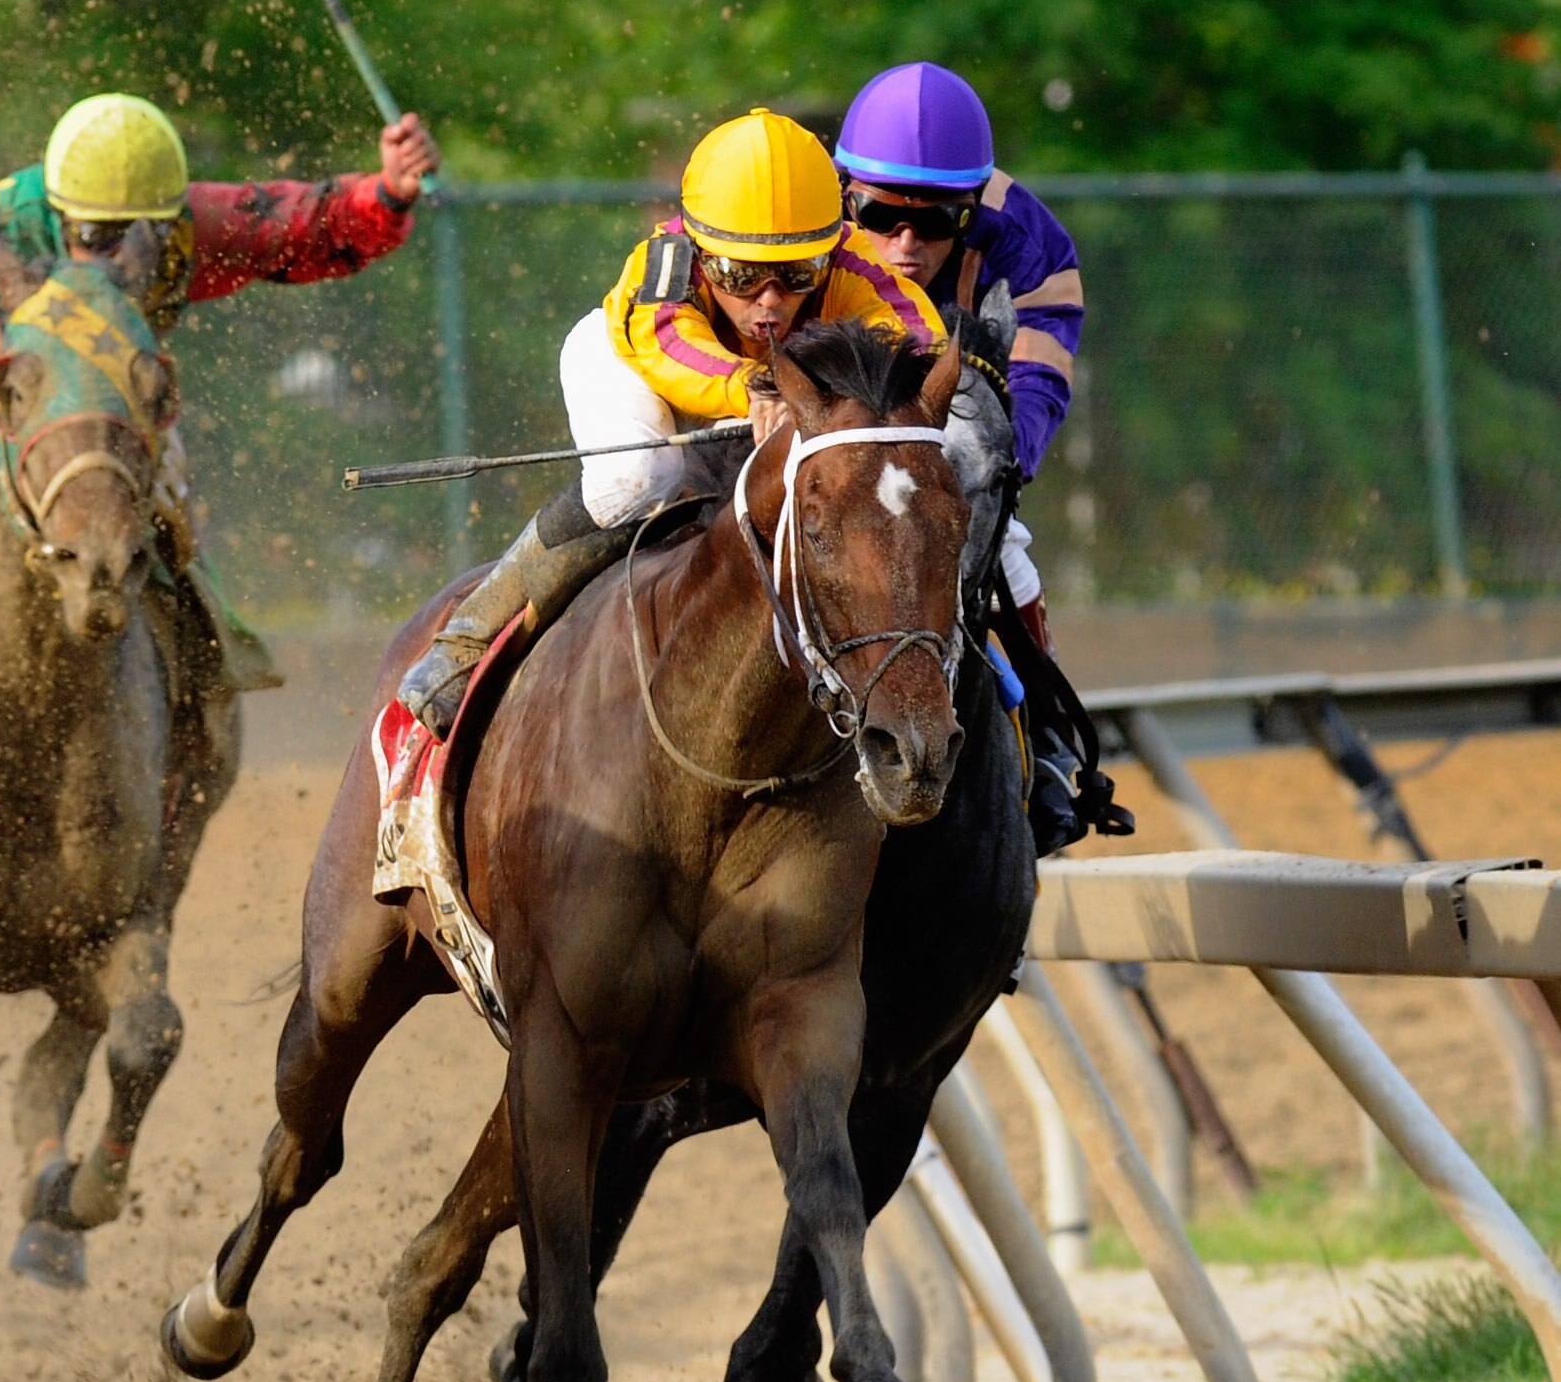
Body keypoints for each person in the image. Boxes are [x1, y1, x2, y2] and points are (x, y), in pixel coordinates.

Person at [0, 90, 438, 712]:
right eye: (93, 232)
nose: (113, 252)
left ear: (167, 218)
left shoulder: (186, 227)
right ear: (55, 211)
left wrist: (388, 190)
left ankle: (204, 675)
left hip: (111, 388)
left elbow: (301, 223)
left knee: (163, 484)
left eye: (134, 234)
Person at [396, 107, 943, 734]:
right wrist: (754, 387)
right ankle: (465, 642)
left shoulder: (849, 262)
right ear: (701, 249)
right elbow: (669, 344)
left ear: (829, 250)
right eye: (741, 275)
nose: (769, 300)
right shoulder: (666, 260)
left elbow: (915, 337)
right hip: (635, 362)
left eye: (797, 276)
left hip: (771, 384)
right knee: (638, 477)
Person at [834, 59, 1100, 841]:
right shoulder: (800, 204)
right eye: (881, 217)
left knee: (1002, 537)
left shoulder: (1030, 246)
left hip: (939, 411)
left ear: (972, 204)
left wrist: (1000, 460)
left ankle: (1045, 750)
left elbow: (1039, 382)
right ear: (846, 191)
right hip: (809, 404)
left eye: (936, 223)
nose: (906, 244)